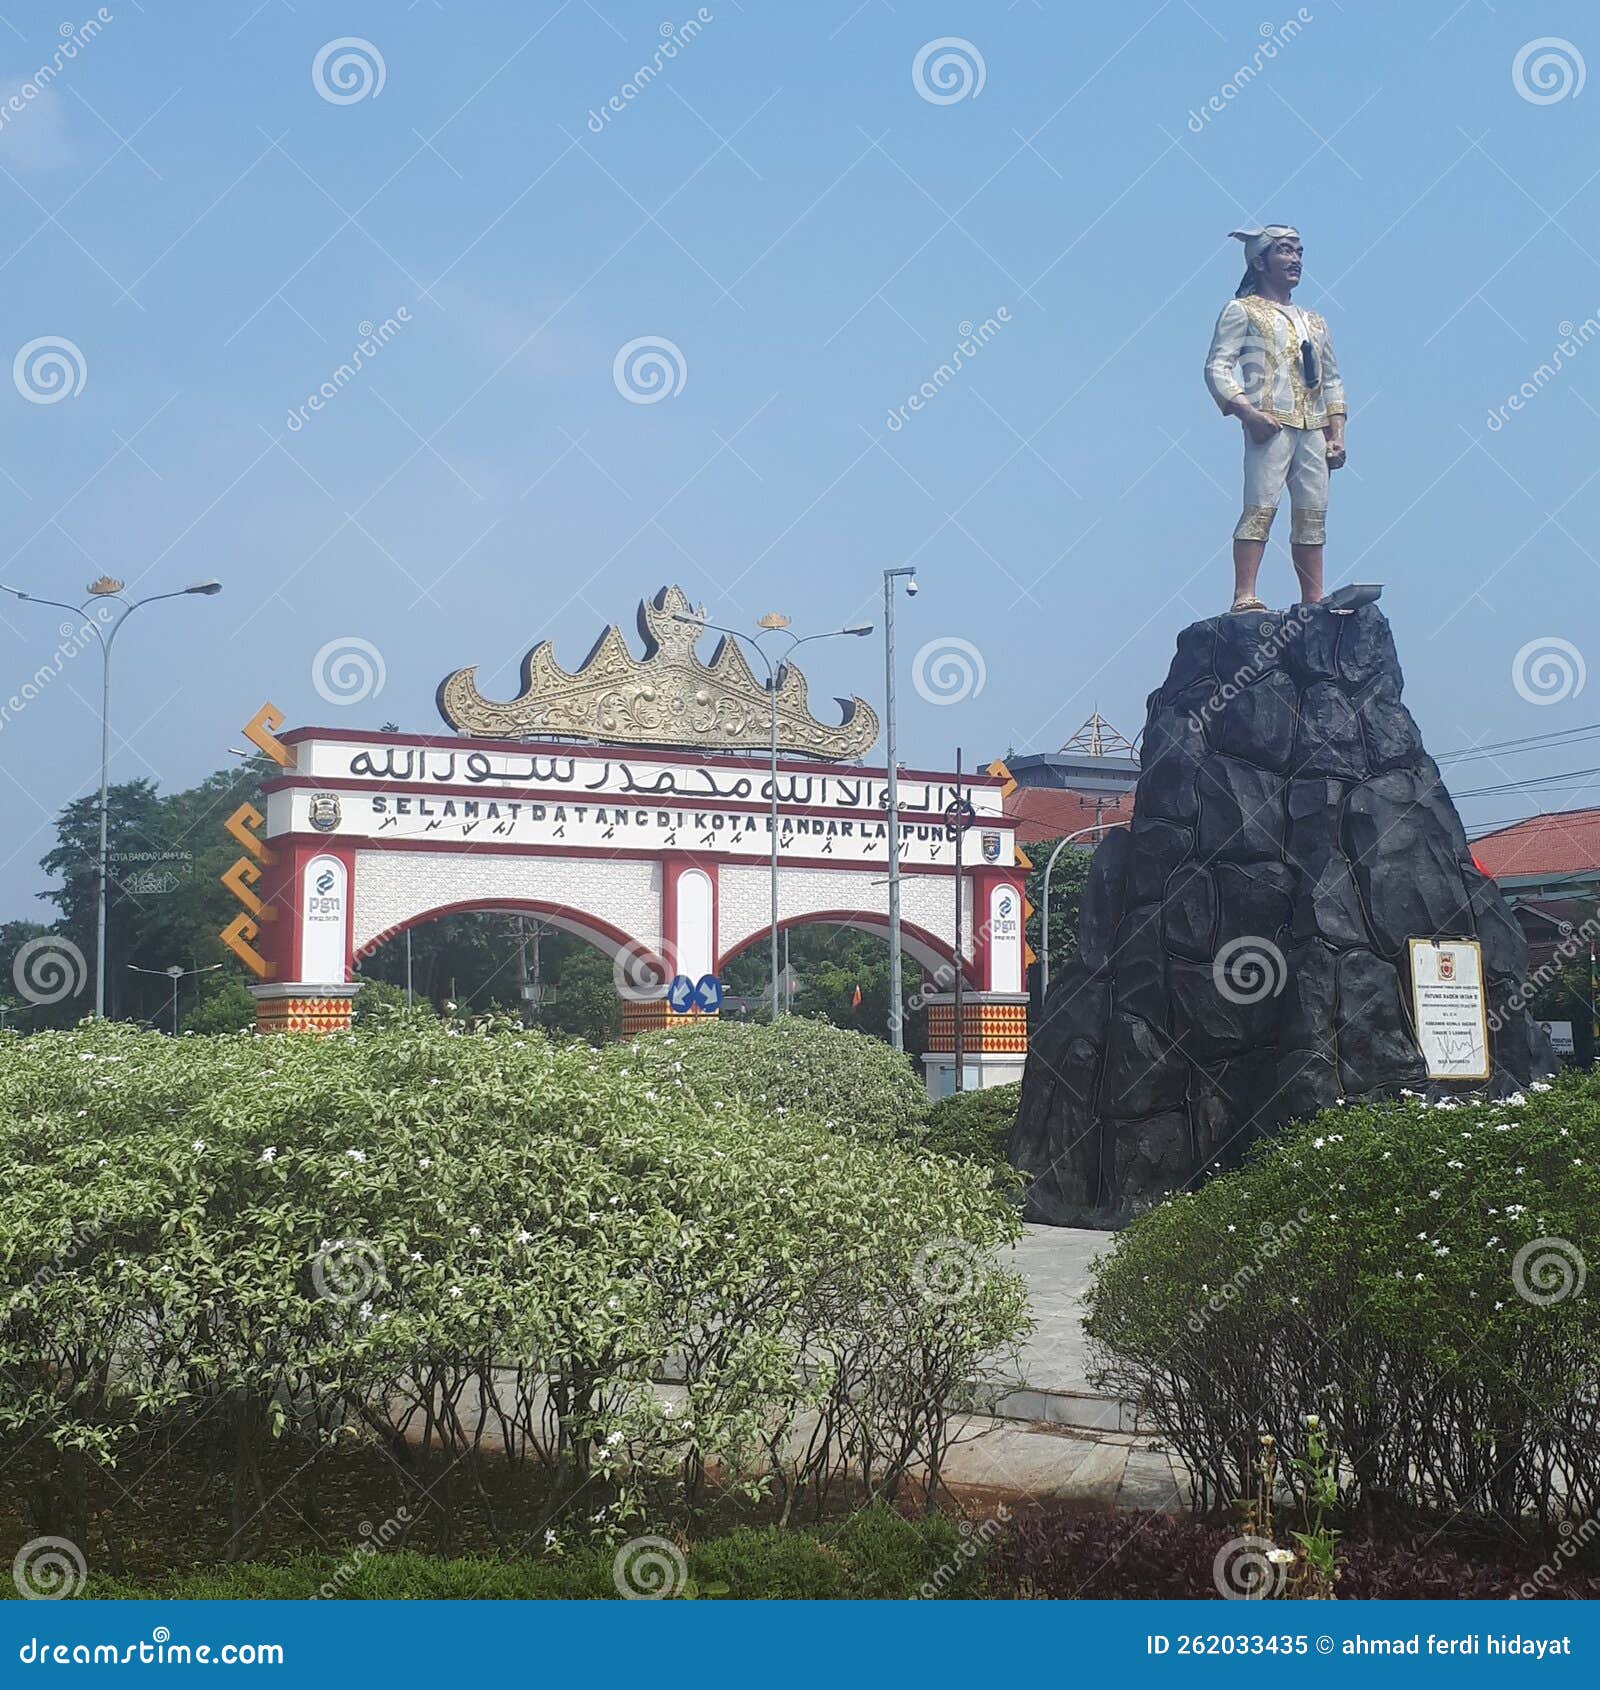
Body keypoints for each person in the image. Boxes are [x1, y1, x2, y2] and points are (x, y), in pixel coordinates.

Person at [1204, 225, 1347, 613]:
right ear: (1260, 260)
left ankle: (1313, 599)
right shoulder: (1243, 310)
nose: (1295, 259)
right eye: (1285, 251)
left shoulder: (1314, 321)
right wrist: (1247, 412)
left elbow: (1332, 379)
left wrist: (1337, 432)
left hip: (1312, 427)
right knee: (1260, 507)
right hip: (1270, 424)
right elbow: (1217, 367)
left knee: (1313, 513)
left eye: (1299, 251)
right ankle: (1244, 594)